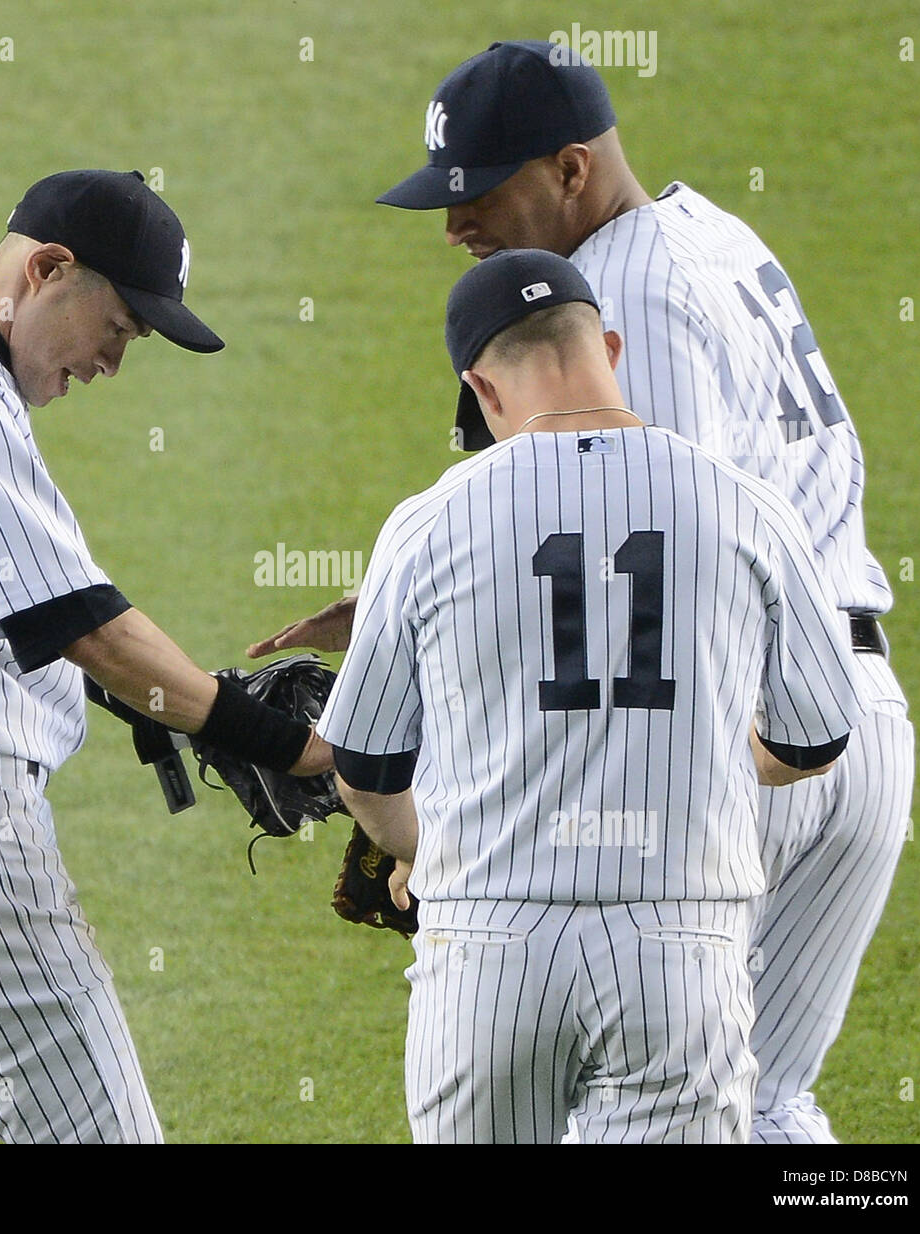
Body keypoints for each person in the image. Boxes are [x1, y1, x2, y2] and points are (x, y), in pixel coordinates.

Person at [252, 40, 914, 1144]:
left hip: (735, 732)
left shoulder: (627, 285)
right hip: (851, 725)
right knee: (754, 1102)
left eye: (475, 194)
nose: (453, 227)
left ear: (568, 169)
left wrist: (446, 831)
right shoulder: (711, 231)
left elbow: (648, 559)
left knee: (601, 1078)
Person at [0, 169, 330, 1144]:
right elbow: (84, 624)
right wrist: (286, 746)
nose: (114, 365)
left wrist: (169, 698)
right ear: (47, 269)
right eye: (120, 328)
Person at [316, 248, 865, 1143]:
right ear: (608, 346)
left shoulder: (429, 521)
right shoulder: (746, 507)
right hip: (679, 950)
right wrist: (711, 748)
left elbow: (365, 766)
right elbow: (813, 741)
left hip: (489, 952)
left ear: (482, 391)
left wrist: (417, 847)